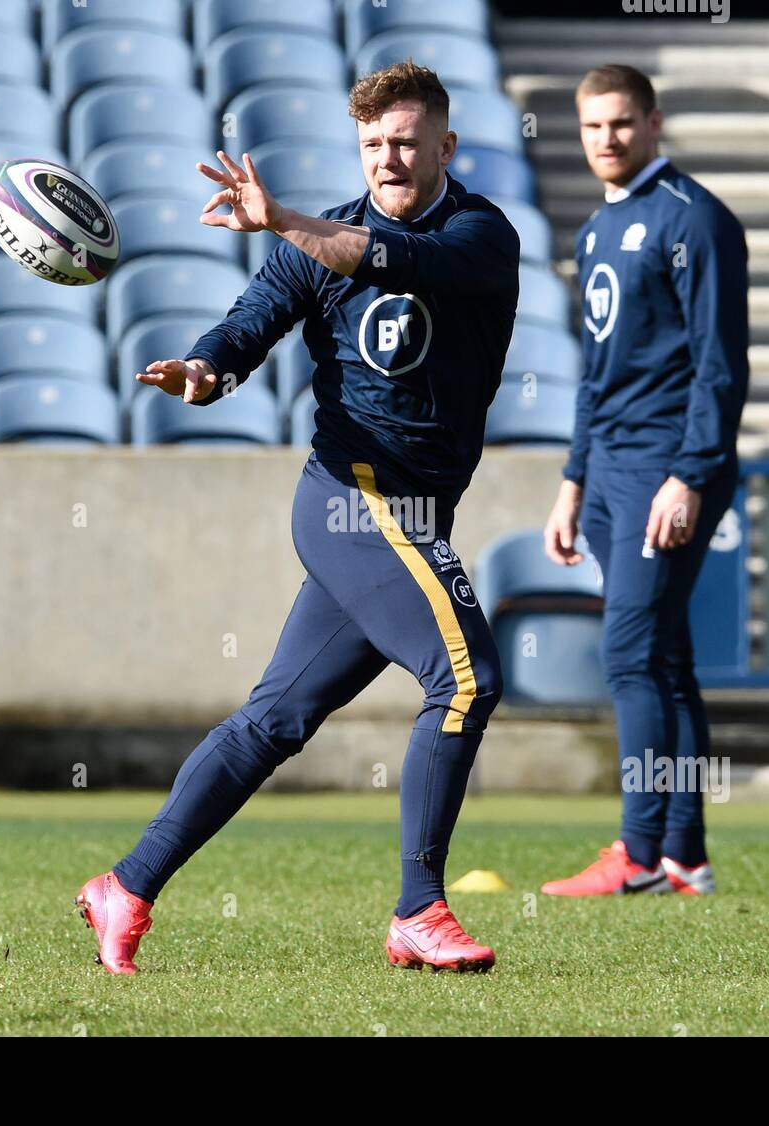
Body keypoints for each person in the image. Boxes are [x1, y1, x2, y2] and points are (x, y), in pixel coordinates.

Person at [75, 61, 520, 973]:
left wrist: (283, 219)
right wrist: (203, 370)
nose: (388, 159)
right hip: (350, 499)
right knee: (468, 676)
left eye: (404, 142)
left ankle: (126, 884)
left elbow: (405, 261)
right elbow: (247, 325)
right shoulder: (314, 240)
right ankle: (419, 908)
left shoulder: (482, 233)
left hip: (415, 515)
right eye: (371, 145)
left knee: (274, 721)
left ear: (445, 146)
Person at [541, 64, 748, 897]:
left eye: (622, 124)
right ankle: (682, 856)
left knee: (627, 652)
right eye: (593, 127)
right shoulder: (598, 228)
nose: (607, 140)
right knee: (664, 660)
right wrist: (572, 480)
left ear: (654, 124)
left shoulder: (697, 221)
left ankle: (633, 852)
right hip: (610, 472)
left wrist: (690, 475)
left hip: (668, 470)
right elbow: (597, 375)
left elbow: (720, 367)